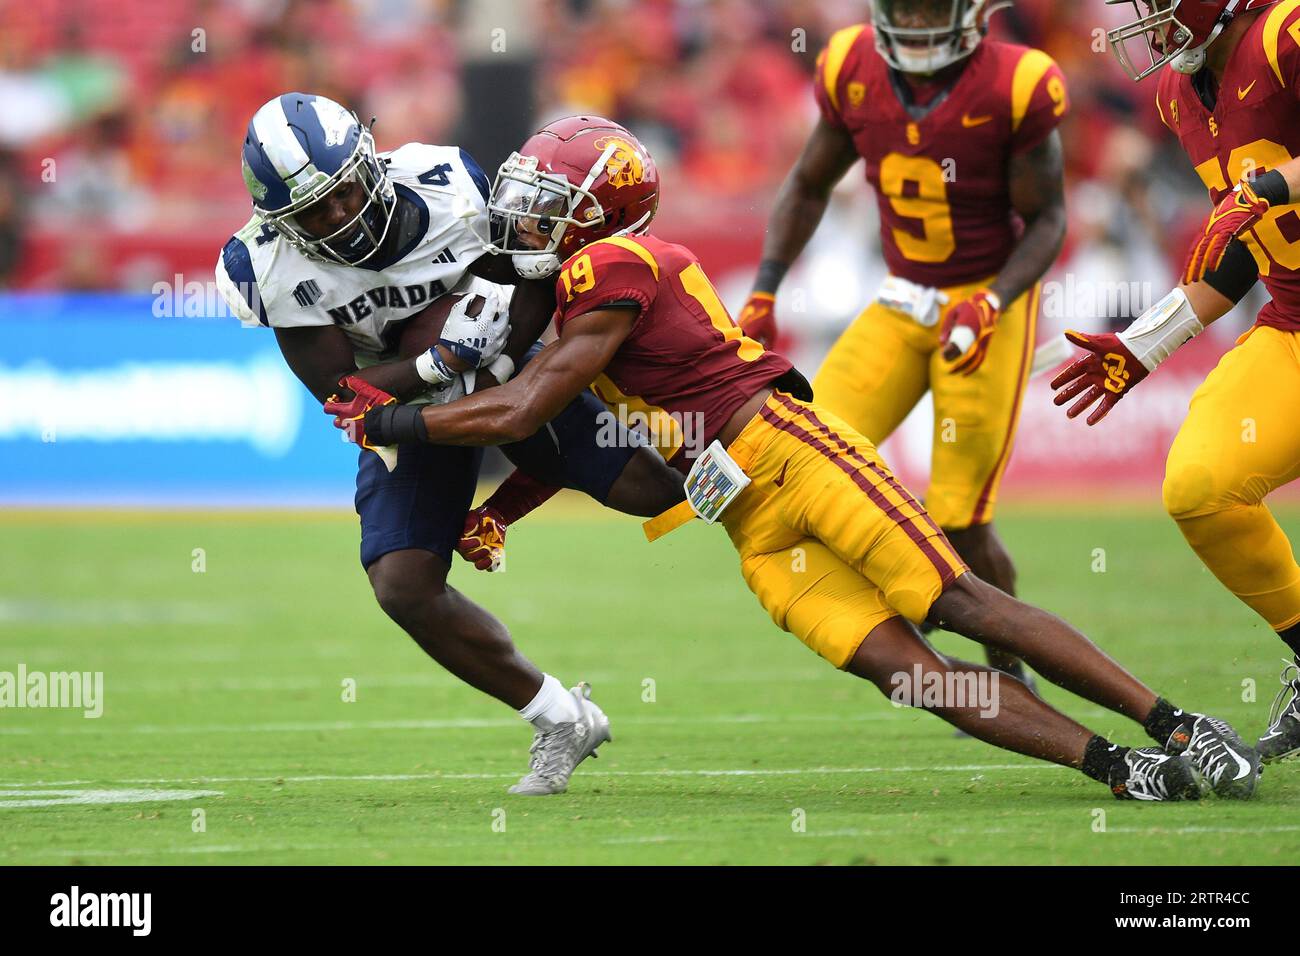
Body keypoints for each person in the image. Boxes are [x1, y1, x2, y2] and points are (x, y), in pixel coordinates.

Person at [336, 115, 1263, 801]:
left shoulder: (614, 264)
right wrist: (506, 509)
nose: (523, 217)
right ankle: (1116, 765)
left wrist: (393, 424)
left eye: (547, 203)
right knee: (909, 672)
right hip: (743, 518)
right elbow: (588, 417)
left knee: (958, 601)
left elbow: (534, 402)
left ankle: (1178, 722)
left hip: (785, 447)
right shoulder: (569, 291)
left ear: (599, 212)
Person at [216, 93, 684, 795]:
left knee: (656, 491)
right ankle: (561, 717)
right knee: (403, 585)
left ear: (367, 166)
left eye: (342, 194)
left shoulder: (447, 183)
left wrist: (494, 366)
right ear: (281, 222)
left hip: (507, 366)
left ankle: (792, 484)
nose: (338, 217)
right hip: (410, 412)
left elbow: (531, 274)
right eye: (313, 213)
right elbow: (344, 398)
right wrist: (435, 368)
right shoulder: (266, 266)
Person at [738, 1, 1069, 686]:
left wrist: (994, 301)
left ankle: (1008, 673)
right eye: (904, 7)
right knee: (803, 458)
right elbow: (806, 185)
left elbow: (1048, 219)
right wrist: (766, 289)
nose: (915, 23)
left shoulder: (1018, 82)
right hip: (901, 296)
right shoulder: (850, 64)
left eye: (931, 8)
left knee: (960, 519)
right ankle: (901, 625)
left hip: (985, 301)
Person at [1053, 0, 1300, 762]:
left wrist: (1275, 187)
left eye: (1160, 5)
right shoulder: (1175, 92)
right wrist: (1146, 346)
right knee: (1200, 486)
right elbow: (1240, 255)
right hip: (1294, 324)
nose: (1149, 23)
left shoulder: (1288, 33)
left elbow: (1261, 202)